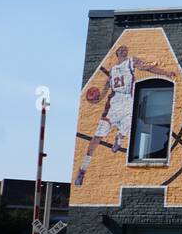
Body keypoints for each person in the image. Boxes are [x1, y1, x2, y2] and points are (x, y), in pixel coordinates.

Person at [74, 47, 175, 186]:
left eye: (124, 48)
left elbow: (148, 68)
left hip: (128, 102)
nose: (123, 49)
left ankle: (119, 138)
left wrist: (166, 73)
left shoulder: (131, 62)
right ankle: (82, 170)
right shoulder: (112, 71)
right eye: (120, 49)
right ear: (117, 53)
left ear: (126, 52)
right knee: (96, 137)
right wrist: (95, 99)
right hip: (114, 105)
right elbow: (104, 92)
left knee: (127, 128)